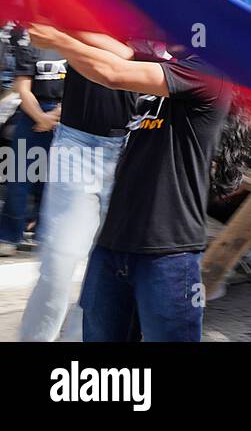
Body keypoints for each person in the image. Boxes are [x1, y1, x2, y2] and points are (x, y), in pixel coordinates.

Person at [25, 25, 237, 342]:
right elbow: (117, 52)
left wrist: (58, 40)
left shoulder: (208, 75)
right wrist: (60, 22)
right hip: (114, 246)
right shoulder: (171, 67)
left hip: (168, 253)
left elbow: (113, 72)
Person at [19, 34, 135, 340]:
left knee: (105, 270)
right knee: (58, 260)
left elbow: (128, 55)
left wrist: (63, 34)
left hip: (132, 148)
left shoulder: (153, 3)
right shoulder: (85, 0)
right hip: (78, 144)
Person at [0, 27, 64, 256]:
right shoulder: (32, 45)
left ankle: (43, 233)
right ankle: (8, 235)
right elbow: (23, 88)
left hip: (65, 116)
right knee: (18, 177)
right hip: (32, 113)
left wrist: (56, 115)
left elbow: (80, 87)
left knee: (53, 181)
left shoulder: (73, 47)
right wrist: (41, 117)